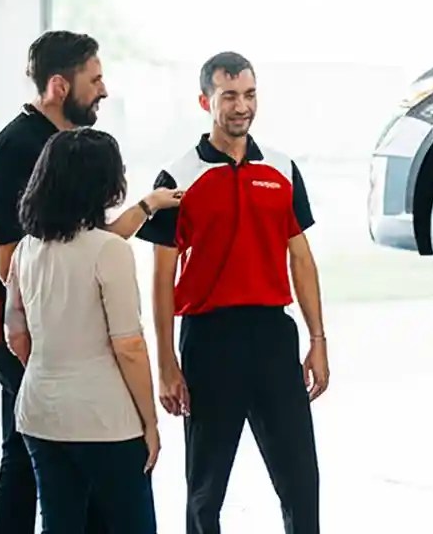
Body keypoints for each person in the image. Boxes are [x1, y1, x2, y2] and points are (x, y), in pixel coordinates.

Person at [0, 30, 181, 534]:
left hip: (47, 346)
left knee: (57, 486)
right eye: (95, 80)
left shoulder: (59, 150)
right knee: (25, 469)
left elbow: (76, 246)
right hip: (33, 333)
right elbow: (12, 268)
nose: (104, 90)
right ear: (58, 86)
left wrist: (145, 209)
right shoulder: (17, 150)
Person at [137, 51, 330, 534]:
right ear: (206, 101)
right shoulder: (177, 177)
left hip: (272, 337)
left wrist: (318, 341)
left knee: (302, 482)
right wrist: (166, 364)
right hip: (209, 341)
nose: (241, 106)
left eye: (249, 94)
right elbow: (161, 279)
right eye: (229, 96)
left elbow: (301, 259)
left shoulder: (282, 168)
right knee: (206, 491)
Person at [4, 127, 171, 534]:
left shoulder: (27, 248)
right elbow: (129, 346)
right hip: (105, 420)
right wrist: (150, 422)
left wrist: (51, 372)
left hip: (40, 413)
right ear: (104, 184)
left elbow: (15, 334)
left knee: (60, 524)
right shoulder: (110, 250)